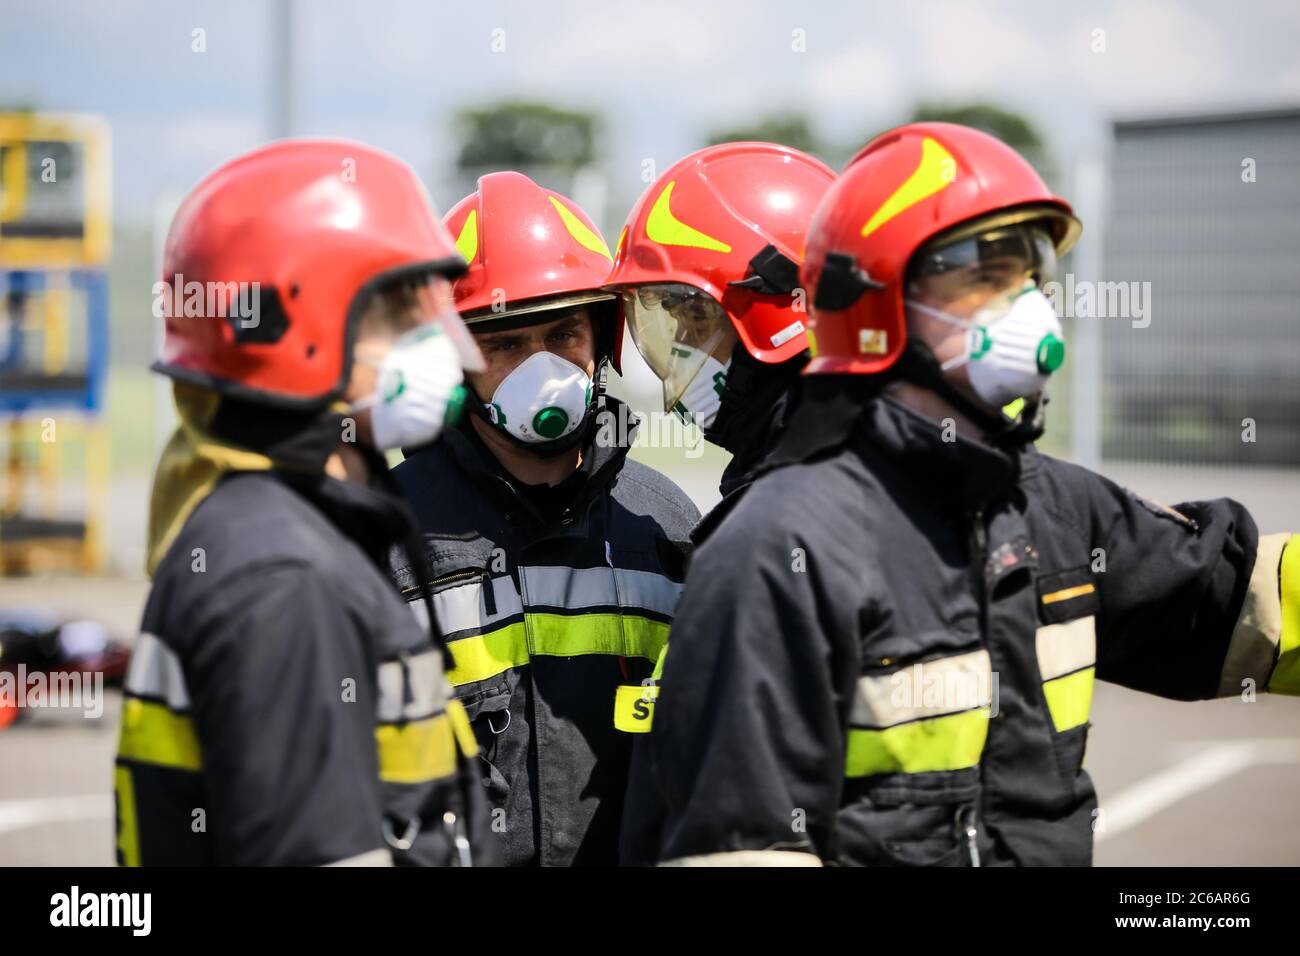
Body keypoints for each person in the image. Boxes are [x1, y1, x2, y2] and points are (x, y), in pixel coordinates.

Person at [642, 122, 1299, 866]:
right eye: (983, 279)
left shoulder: (1053, 508)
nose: (1025, 310)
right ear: (876, 304)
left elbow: (1247, 602)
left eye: (1027, 278)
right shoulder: (776, 550)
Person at [114, 140, 485, 866]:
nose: (434, 337)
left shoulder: (287, 531)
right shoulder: (286, 578)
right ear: (291, 326)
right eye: (401, 309)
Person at [390, 171, 700, 866]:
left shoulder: (665, 528)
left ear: (604, 336)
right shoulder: (389, 538)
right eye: (505, 343)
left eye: (563, 332)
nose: (544, 368)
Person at [602, 142, 834, 862]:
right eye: (667, 323)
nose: (681, 352)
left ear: (779, 312)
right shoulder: (768, 495)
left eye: (694, 321)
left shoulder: (788, 524)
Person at [605, 141, 836, 497]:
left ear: (775, 316)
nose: (682, 343)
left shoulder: (795, 506)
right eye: (674, 318)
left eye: (697, 316)